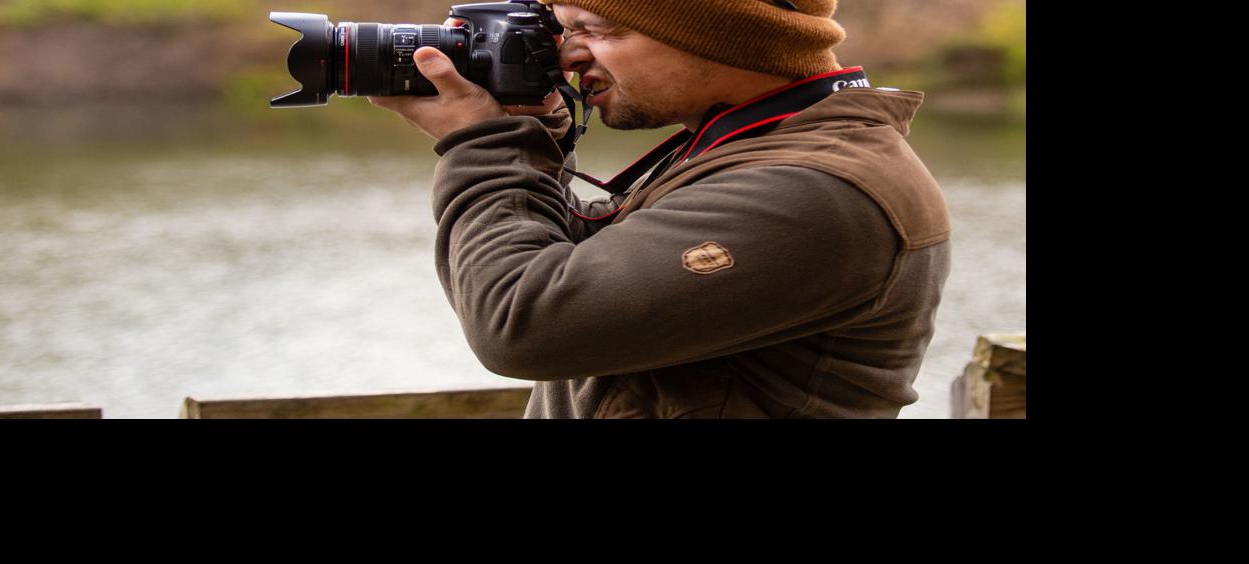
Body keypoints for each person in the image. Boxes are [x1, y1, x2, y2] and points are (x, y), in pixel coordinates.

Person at [368, 0, 951, 418]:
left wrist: (481, 142)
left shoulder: (819, 190)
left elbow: (522, 324)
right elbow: (588, 273)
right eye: (565, 28)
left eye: (596, 29)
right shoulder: (748, 148)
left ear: (718, 33)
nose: (568, 56)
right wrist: (528, 129)